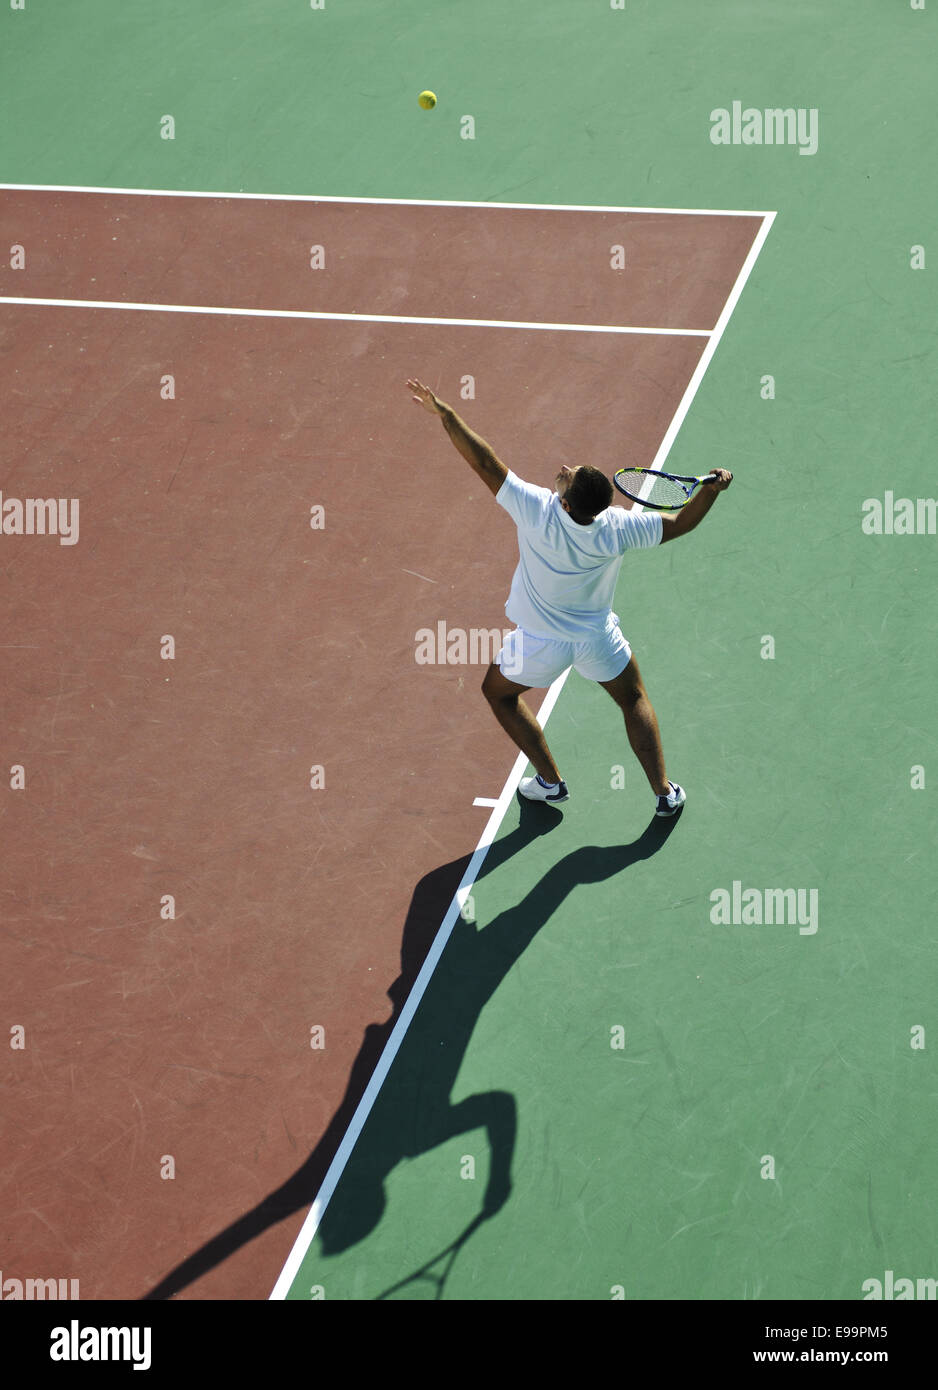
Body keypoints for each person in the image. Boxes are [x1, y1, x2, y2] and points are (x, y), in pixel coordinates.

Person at [407, 379, 733, 818]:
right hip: (597, 637)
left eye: (568, 475)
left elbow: (484, 462)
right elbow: (679, 524)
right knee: (632, 698)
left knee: (498, 693)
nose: (564, 468)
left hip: (541, 641)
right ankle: (664, 793)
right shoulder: (618, 526)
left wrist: (446, 414)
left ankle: (551, 783)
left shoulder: (536, 509)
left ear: (565, 503)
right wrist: (710, 490)